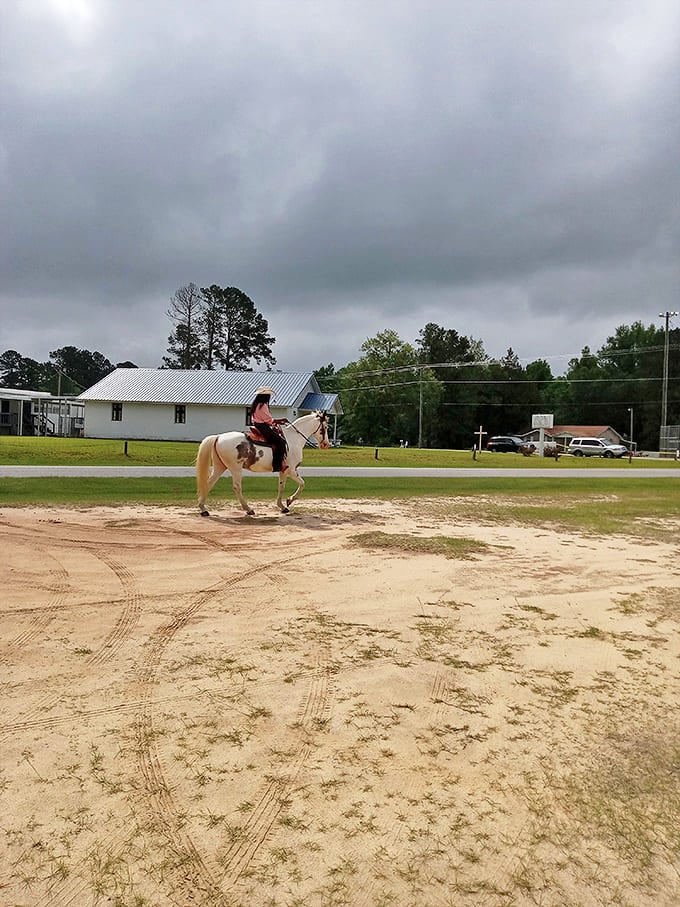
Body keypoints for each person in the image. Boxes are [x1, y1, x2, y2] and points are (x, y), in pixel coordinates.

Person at [250, 386, 288, 472]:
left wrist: (276, 421)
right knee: (281, 442)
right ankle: (277, 465)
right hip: (263, 426)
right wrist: (280, 421)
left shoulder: (256, 404)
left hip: (258, 425)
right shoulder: (263, 406)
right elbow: (268, 420)